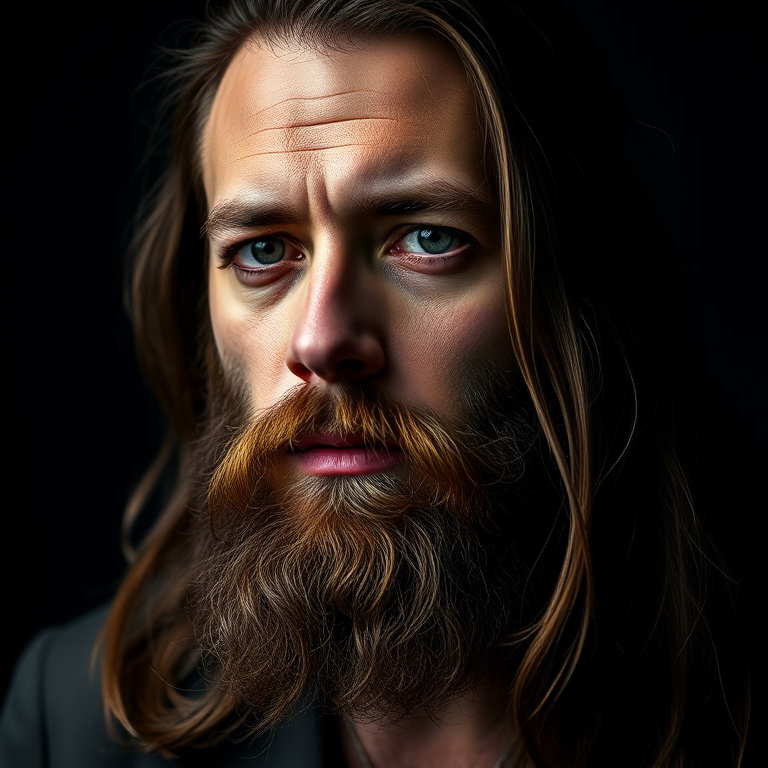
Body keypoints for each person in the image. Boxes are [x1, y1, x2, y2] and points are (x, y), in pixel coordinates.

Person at [0, 0, 755, 766]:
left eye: (427, 239)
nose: (322, 341)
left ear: (577, 290)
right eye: (263, 251)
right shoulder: (75, 723)